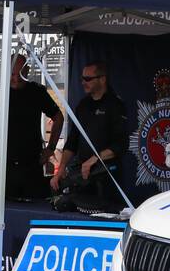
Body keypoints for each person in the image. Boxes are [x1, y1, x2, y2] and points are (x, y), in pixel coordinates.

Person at [0, 53, 64, 200]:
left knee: (34, 208)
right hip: (3, 166)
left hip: (32, 165)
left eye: (21, 73)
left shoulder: (36, 92)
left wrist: (50, 148)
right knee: (4, 211)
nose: (16, 78)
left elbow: (58, 117)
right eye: (12, 74)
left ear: (27, 71)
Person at [53, 61, 128, 199]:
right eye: (82, 79)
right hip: (84, 176)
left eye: (88, 79)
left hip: (108, 176)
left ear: (102, 79)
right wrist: (62, 167)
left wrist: (94, 159)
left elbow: (120, 144)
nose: (83, 82)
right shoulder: (83, 105)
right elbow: (72, 141)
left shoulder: (115, 105)